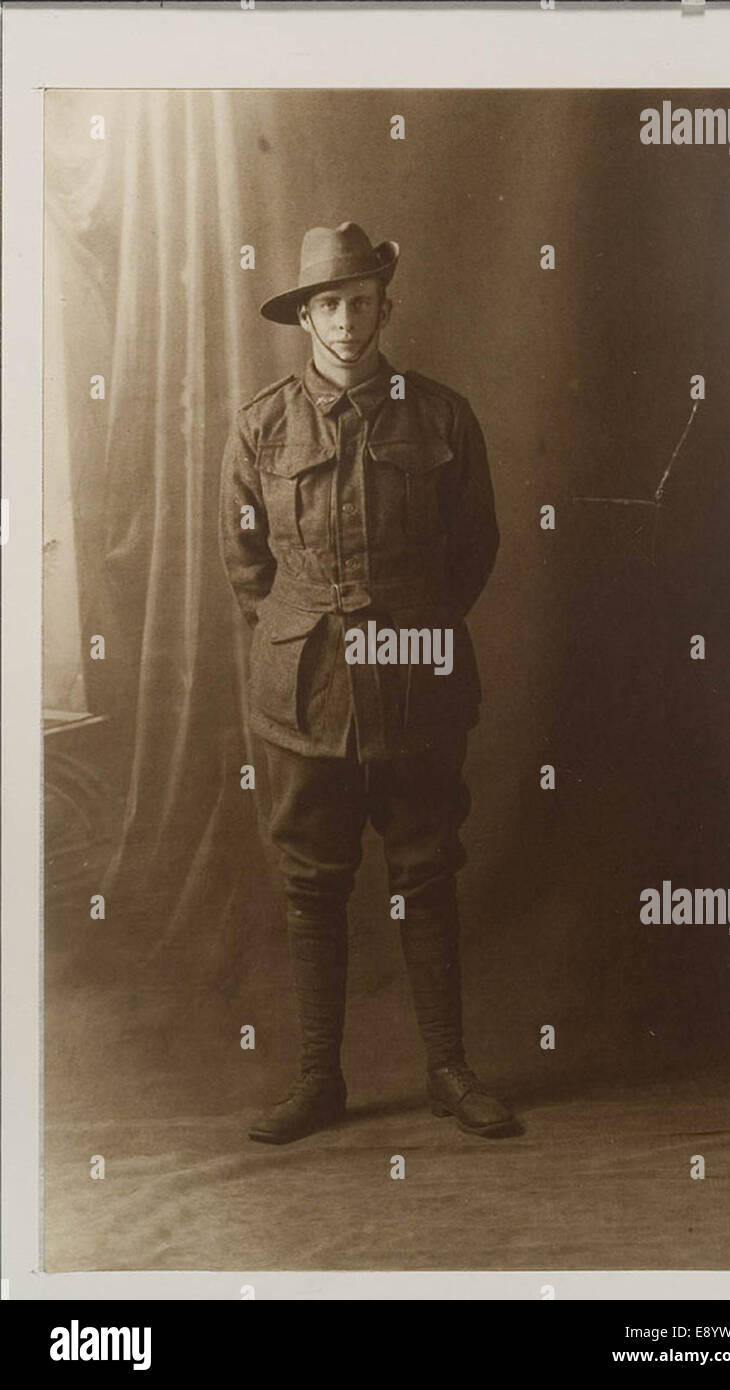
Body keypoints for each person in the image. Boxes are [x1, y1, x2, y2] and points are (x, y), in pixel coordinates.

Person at [220, 221, 520, 1143]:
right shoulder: (261, 424)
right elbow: (247, 564)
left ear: (385, 308)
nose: (346, 321)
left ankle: (447, 1070)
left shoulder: (441, 416)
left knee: (425, 871)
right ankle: (320, 1082)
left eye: (361, 302)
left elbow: (474, 546)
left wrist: (414, 623)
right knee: (313, 882)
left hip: (418, 684)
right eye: (328, 305)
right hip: (303, 693)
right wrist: (303, 633)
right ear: (304, 316)